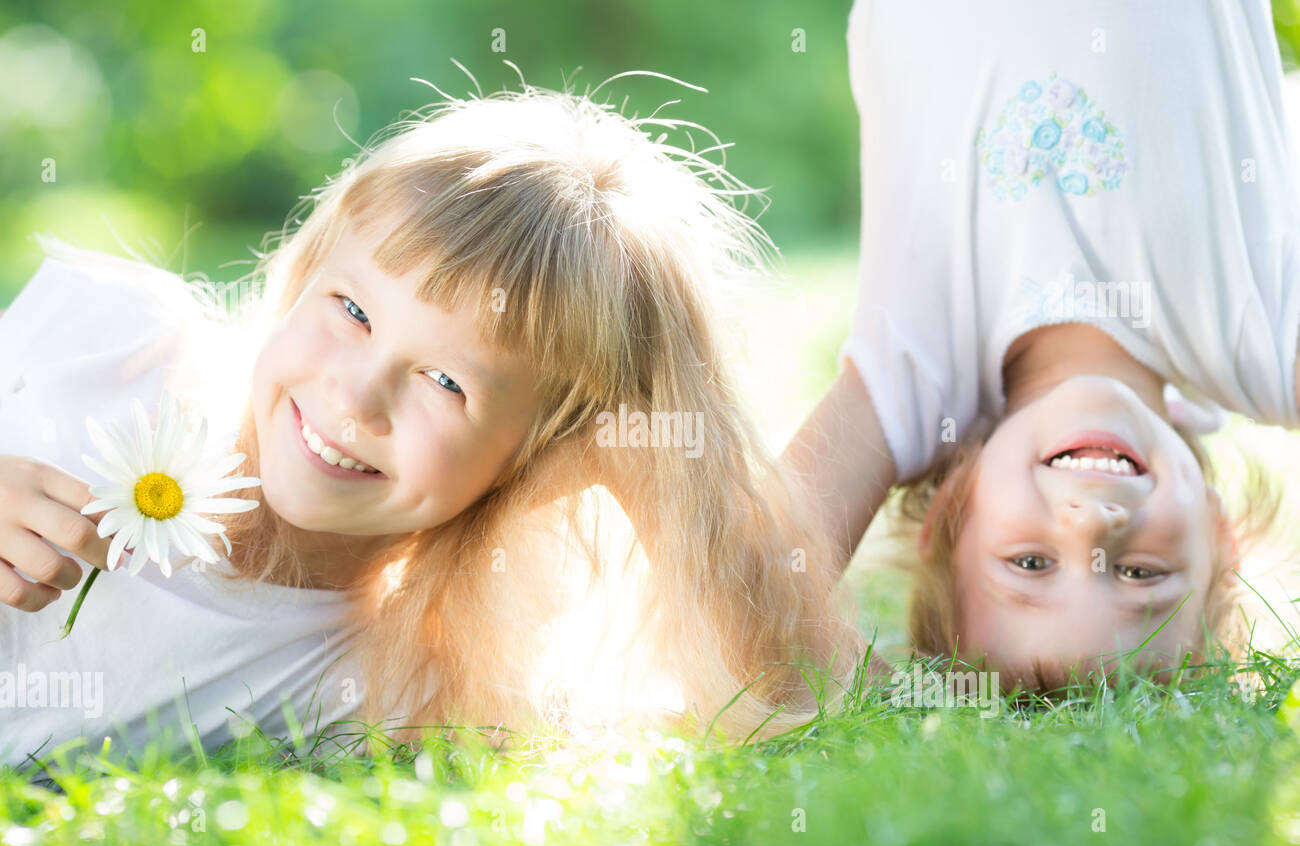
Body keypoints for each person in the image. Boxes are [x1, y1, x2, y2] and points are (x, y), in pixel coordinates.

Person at [0, 83, 866, 775]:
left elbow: (777, 689)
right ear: (301, 275)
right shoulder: (108, 344)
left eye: (447, 381)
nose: (357, 397)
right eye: (351, 308)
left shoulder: (386, 676)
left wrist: (648, 462)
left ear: (541, 456)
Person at [782, 0, 1299, 690]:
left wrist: (867, 676)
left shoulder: (917, 382)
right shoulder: (1263, 339)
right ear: (1218, 536)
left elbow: (735, 590)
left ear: (947, 519)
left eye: (1029, 564)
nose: (1091, 522)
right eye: (1140, 573)